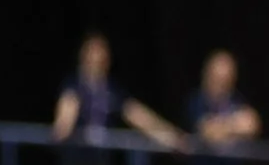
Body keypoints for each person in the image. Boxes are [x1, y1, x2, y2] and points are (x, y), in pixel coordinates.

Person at [50, 33, 183, 151]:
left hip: (101, 163)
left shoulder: (111, 90)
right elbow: (66, 109)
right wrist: (63, 125)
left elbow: (138, 116)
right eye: (92, 53)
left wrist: (172, 137)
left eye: (101, 54)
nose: (97, 59)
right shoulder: (73, 85)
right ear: (83, 56)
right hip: (76, 161)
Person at [189, 51, 261, 152]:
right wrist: (235, 125)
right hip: (204, 164)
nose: (221, 84)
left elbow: (251, 126)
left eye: (226, 79)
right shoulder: (196, 100)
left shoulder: (235, 100)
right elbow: (208, 132)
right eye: (217, 78)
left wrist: (222, 127)